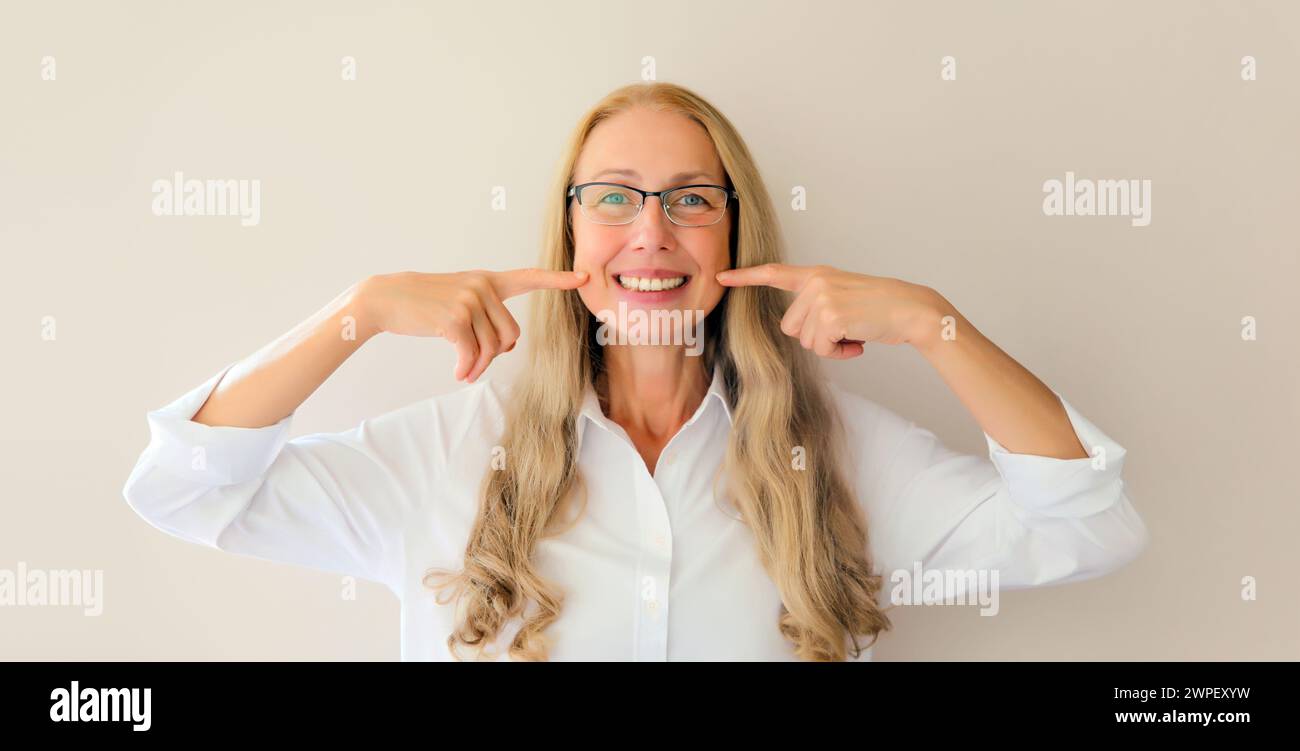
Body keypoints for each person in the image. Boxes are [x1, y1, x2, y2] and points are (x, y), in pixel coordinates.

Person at [122, 81, 1148, 661]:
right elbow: (176, 488)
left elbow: (1088, 527)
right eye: (613, 198)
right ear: (569, 228)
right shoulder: (447, 451)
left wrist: (936, 324)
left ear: (734, 232)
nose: (650, 233)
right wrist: (360, 313)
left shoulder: (837, 456)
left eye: (690, 200)